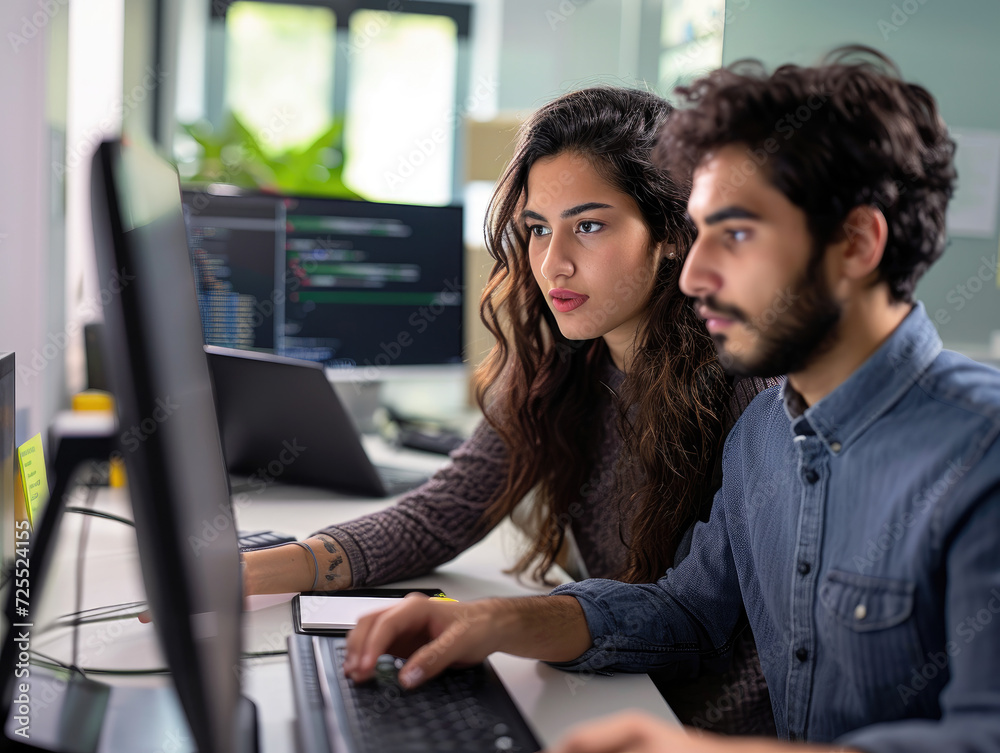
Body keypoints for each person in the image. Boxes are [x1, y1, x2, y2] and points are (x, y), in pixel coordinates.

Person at [341, 48, 1000, 752]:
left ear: (857, 242)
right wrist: (495, 622)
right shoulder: (767, 432)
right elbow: (685, 612)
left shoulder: (981, 453)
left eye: (736, 234)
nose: (693, 274)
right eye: (700, 232)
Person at [242, 86, 778, 733]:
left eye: (589, 225)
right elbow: (448, 509)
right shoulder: (564, 359)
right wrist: (253, 571)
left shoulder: (753, 388)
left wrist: (500, 622)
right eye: (537, 229)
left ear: (669, 232)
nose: (553, 264)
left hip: (700, 728)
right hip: (610, 688)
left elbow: (695, 618)